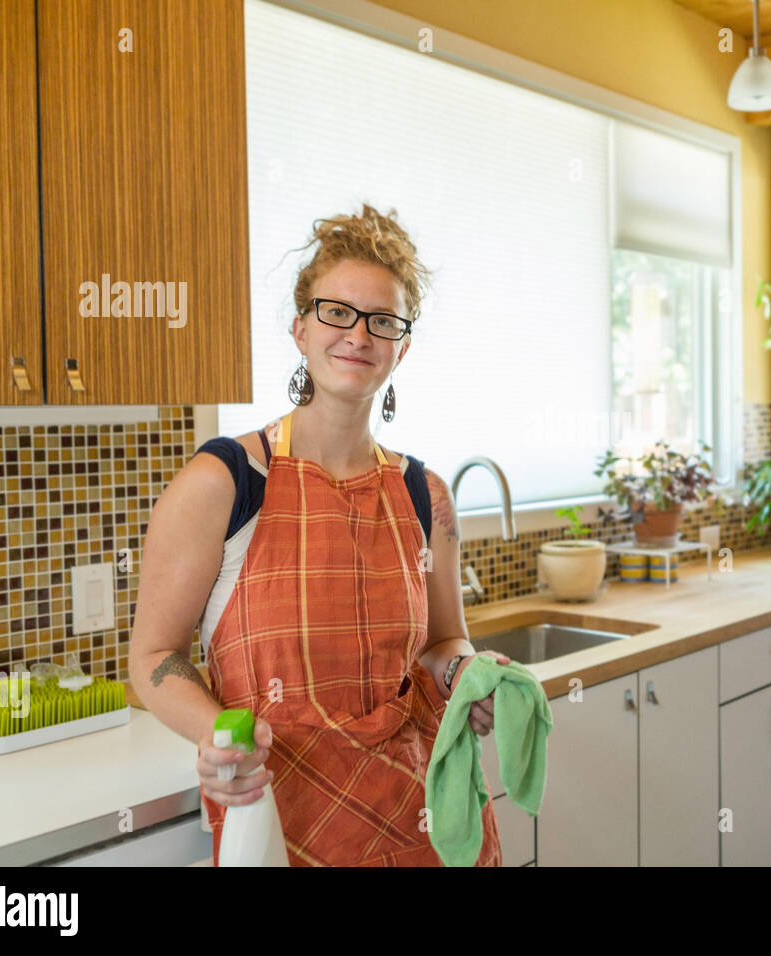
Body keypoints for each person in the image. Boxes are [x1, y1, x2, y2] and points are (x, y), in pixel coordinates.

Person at [127, 206, 507, 866]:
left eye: (382, 321)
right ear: (300, 328)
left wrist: (468, 674)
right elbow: (153, 658)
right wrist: (220, 735)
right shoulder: (225, 482)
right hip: (285, 828)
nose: (358, 335)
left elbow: (443, 643)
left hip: (432, 832)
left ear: (402, 346)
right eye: (337, 312)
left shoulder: (427, 495)